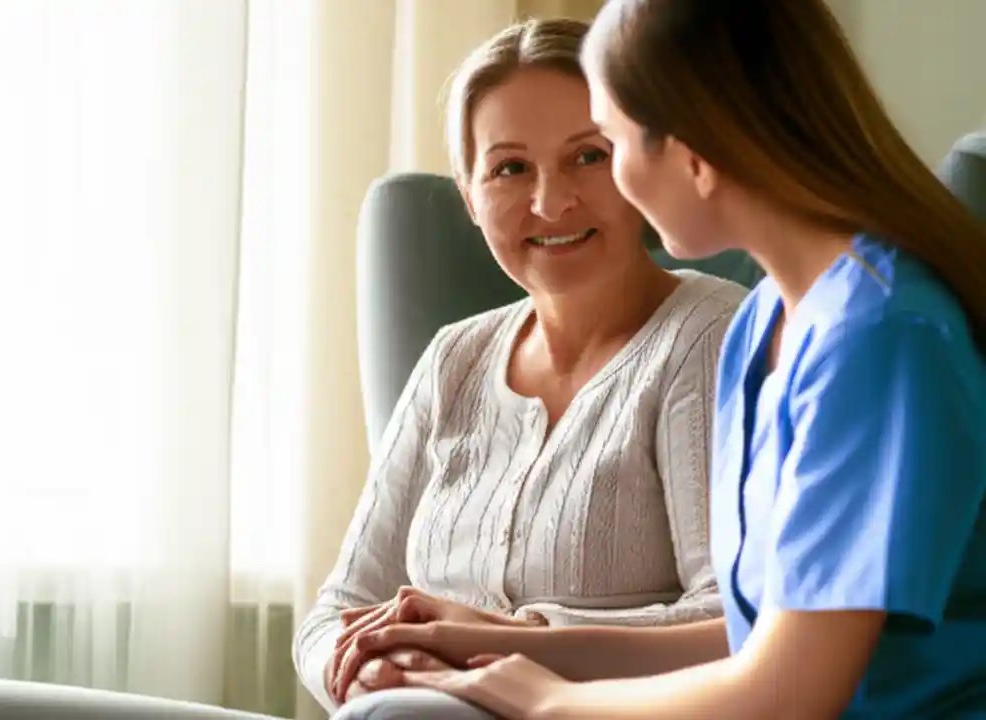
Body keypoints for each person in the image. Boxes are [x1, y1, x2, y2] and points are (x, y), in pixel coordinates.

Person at [333, 1, 986, 718]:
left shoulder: (883, 338)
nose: (574, 197)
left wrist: (549, 701)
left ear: (694, 150)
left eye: (604, 146)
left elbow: (792, 694)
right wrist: (496, 643)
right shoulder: (769, 318)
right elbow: (752, 641)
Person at [295, 17, 747, 717]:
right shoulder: (453, 359)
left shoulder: (707, 335)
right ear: (470, 194)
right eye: (509, 168)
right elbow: (337, 610)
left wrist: (505, 639)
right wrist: (366, 669)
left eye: (588, 157)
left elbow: (734, 620)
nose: (550, 202)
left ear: (637, 161)